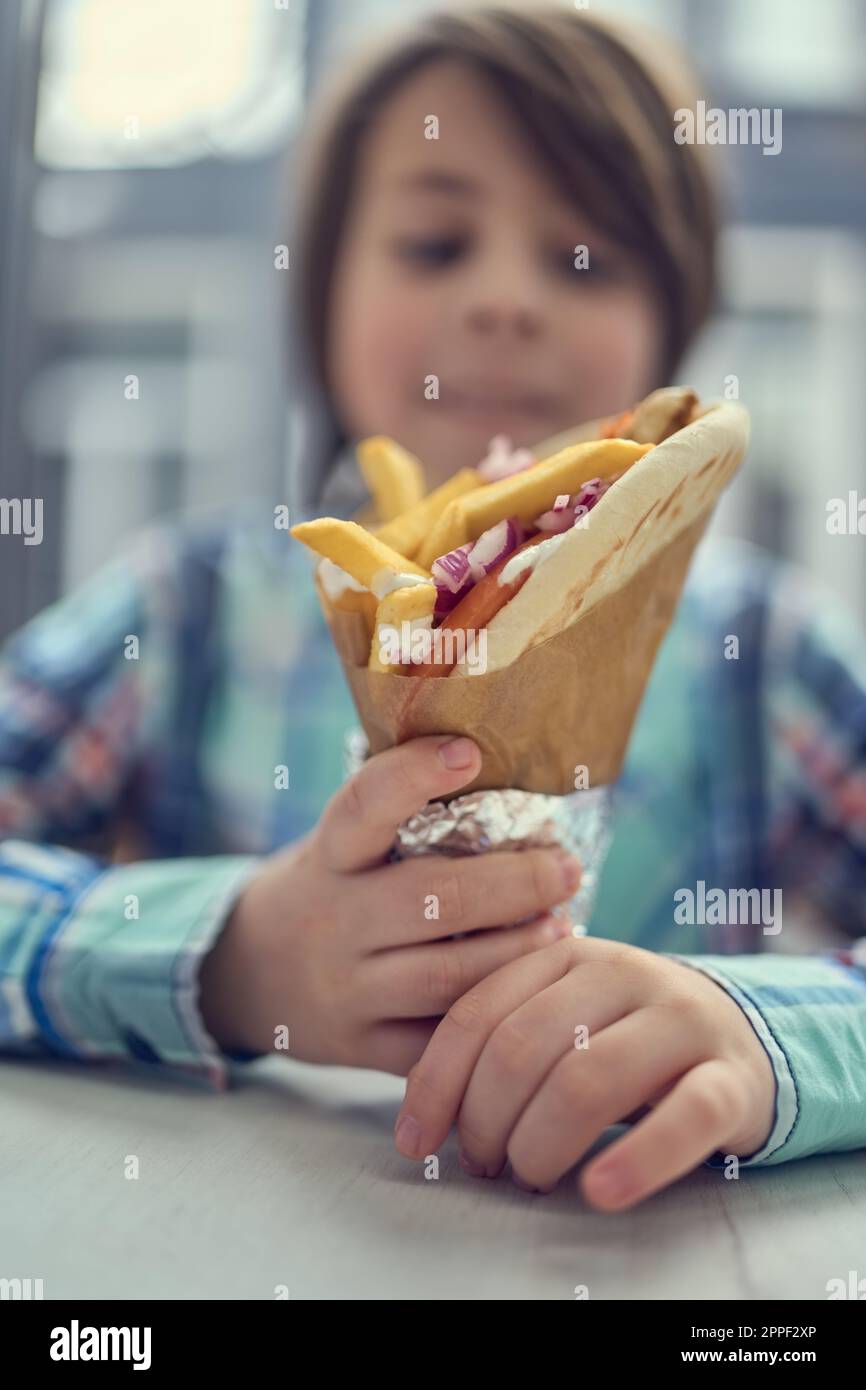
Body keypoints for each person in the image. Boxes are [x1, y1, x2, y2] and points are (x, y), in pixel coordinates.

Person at [2, 5, 864, 1212]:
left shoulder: (763, 661)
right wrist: (224, 958)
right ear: (320, 303)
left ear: (670, 326)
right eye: (434, 243)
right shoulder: (181, 618)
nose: (507, 299)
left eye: (583, 259)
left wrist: (769, 1040)